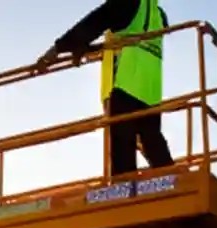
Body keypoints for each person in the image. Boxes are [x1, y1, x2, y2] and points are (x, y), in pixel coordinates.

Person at [37, 0, 174, 177]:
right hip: (150, 90)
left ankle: (124, 190)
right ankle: (173, 177)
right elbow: (126, 35)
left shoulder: (129, 4)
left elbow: (99, 19)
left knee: (123, 146)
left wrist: (59, 48)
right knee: (152, 138)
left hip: (126, 83)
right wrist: (85, 47)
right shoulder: (157, 14)